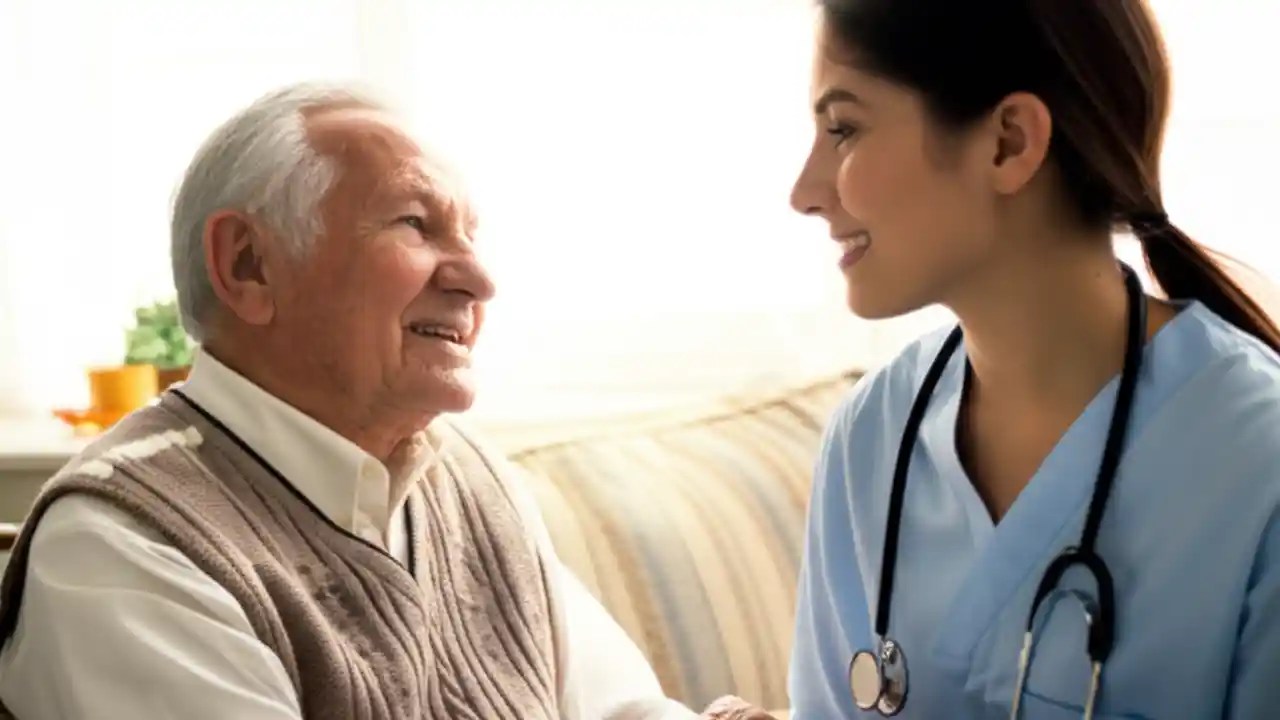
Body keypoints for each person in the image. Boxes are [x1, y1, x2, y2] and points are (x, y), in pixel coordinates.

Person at [0, 83, 771, 720]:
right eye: (416, 224)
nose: (478, 278)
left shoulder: (469, 478)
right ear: (248, 266)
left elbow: (620, 709)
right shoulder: (121, 548)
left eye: (469, 234)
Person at [786, 1, 1280, 718]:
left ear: (1009, 143)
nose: (805, 191)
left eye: (843, 130)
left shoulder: (1256, 469)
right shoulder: (868, 441)